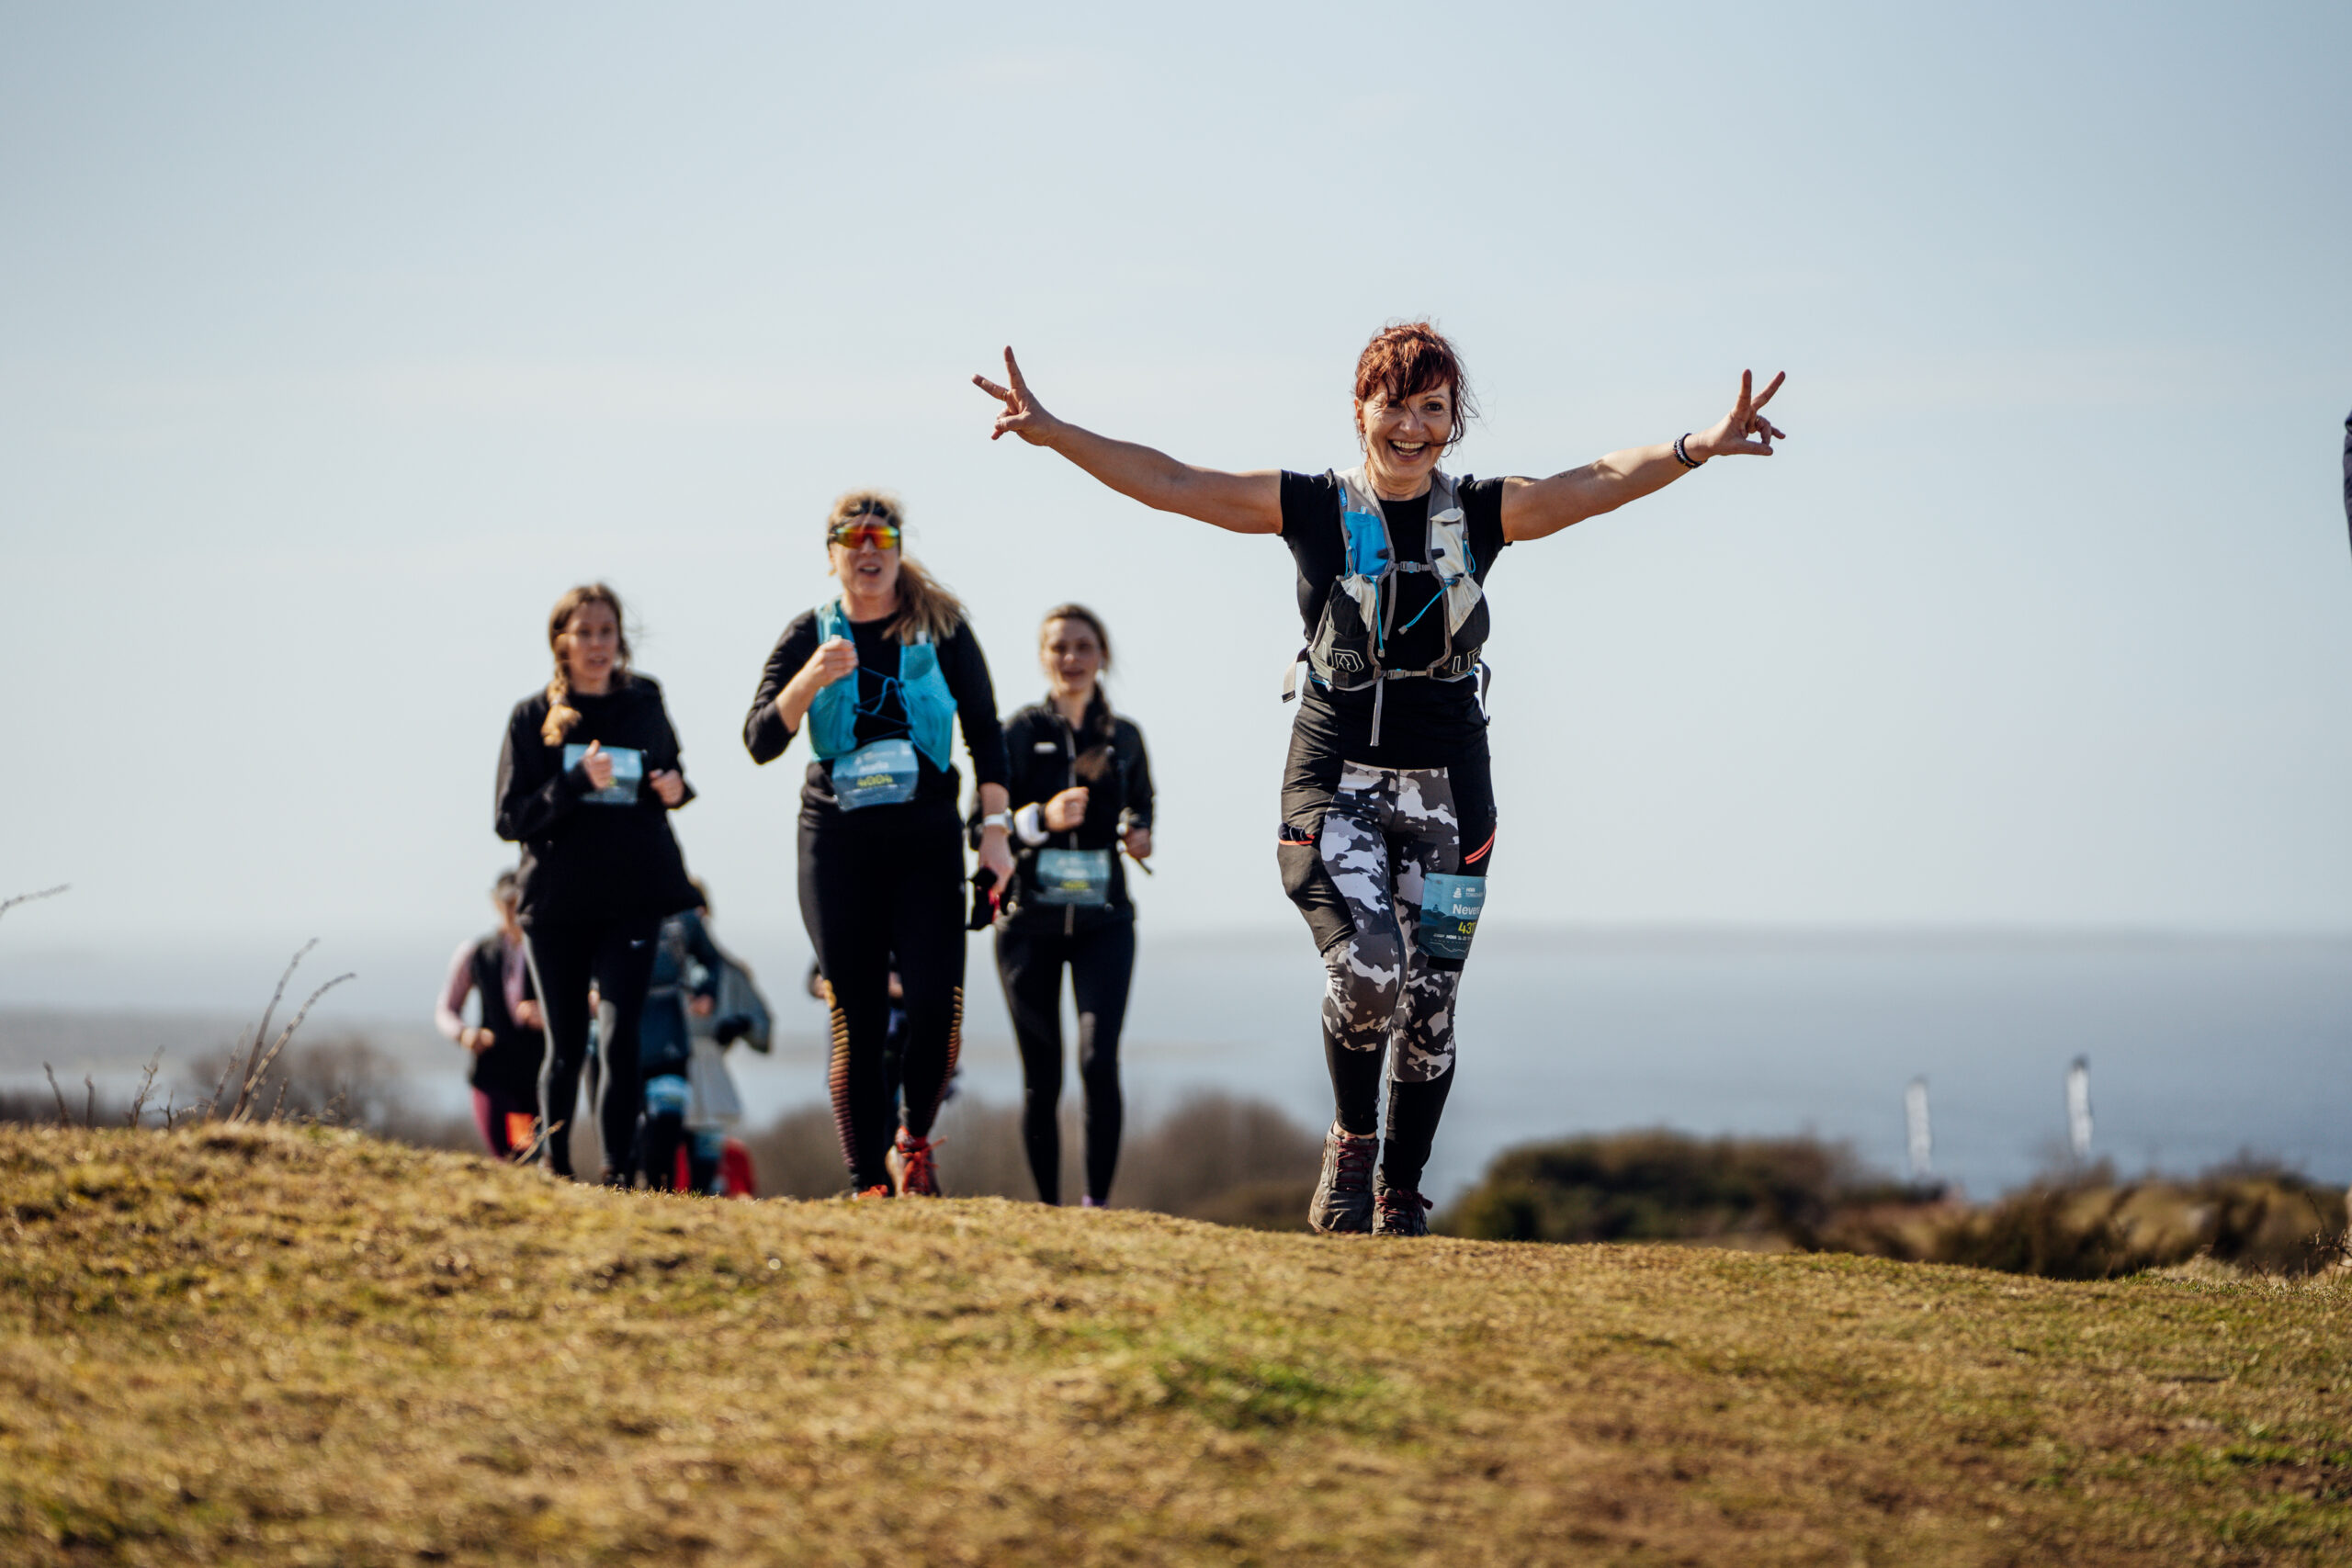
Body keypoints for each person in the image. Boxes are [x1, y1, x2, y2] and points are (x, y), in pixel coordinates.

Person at [976, 323, 1789, 1235]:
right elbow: (1173, 484)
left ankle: (1401, 1196)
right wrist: (1054, 431)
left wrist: (1694, 448)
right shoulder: (1313, 508)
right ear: (1358, 409)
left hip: (1451, 800)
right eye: (1393, 404)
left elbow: (1591, 483)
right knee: (1369, 974)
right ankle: (1350, 1149)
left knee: (1432, 1002)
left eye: (1432, 408)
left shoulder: (1482, 512)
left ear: (1454, 421)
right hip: (1335, 789)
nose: (1411, 426)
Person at [743, 491, 1014, 1197]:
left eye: (881, 536)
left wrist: (995, 836)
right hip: (836, 842)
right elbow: (759, 740)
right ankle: (866, 1181)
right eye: (852, 538)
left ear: (898, 547)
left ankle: (913, 1140)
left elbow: (987, 736)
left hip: (925, 840)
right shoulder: (810, 631)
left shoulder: (942, 628)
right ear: (831, 553)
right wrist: (808, 679)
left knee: (934, 1009)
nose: (868, 550)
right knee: (857, 1016)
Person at [495, 582, 702, 1185]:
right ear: (561, 641)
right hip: (557, 905)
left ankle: (618, 1169)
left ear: (620, 638)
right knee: (565, 1047)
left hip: (633, 899)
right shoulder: (532, 717)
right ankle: (555, 1166)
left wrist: (676, 788)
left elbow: (673, 775)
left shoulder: (645, 699)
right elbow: (510, 819)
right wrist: (575, 782)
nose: (596, 643)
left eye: (605, 631)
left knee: (619, 1038)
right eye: (583, 632)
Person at [994, 604, 1155, 1206]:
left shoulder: (1125, 736)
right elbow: (978, 826)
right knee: (1043, 1074)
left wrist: (1139, 833)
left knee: (1097, 1060)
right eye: (1059, 646)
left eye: (1084, 645)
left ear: (1102, 655)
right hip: (1027, 924)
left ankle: (1095, 1206)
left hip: (1103, 922)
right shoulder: (1015, 732)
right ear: (1043, 657)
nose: (1072, 657)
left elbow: (1142, 805)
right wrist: (1040, 818)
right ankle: (1048, 1209)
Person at [433, 868, 546, 1160]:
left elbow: (578, 1003)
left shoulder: (547, 952)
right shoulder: (477, 952)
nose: (515, 910)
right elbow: (446, 1008)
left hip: (531, 1079)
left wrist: (546, 1015)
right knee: (503, 1157)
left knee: (523, 1157)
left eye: (521, 901)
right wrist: (464, 1034)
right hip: (492, 1076)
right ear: (496, 904)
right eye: (509, 903)